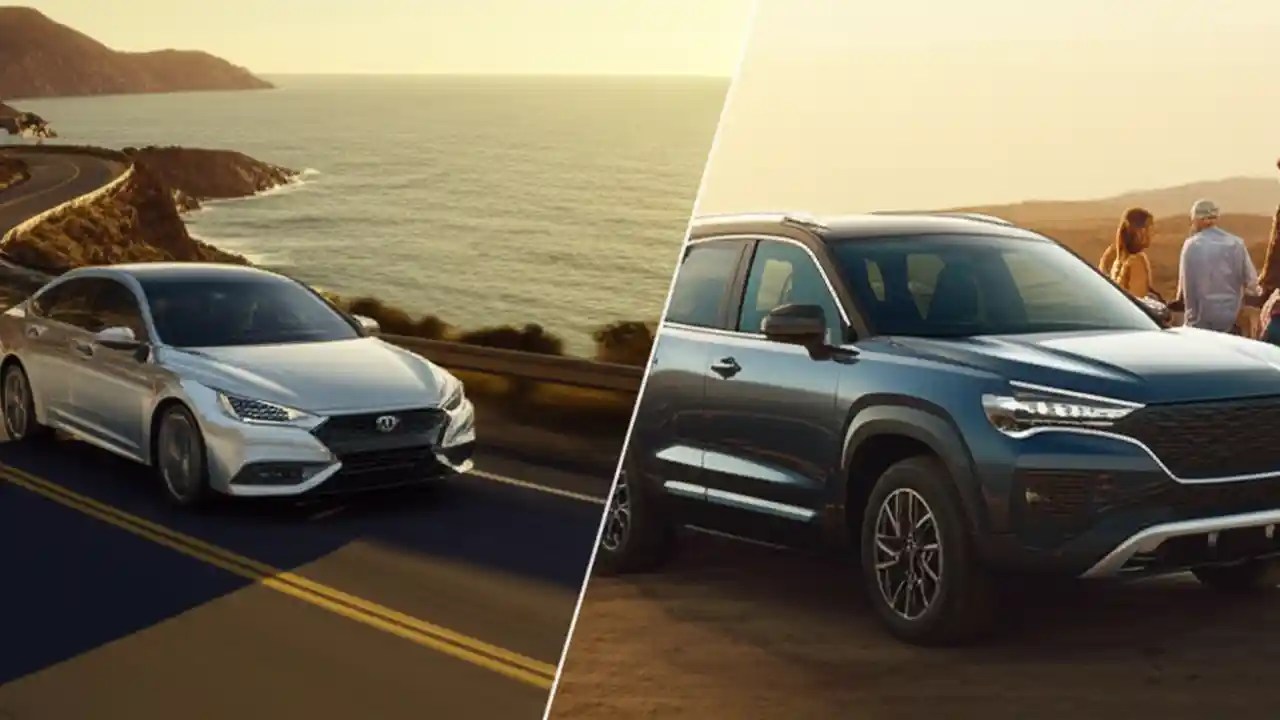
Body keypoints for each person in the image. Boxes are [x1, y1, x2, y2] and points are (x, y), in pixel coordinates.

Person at [1176, 198, 1260, 333]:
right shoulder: (1236, 243)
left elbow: (1183, 286)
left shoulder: (1191, 245)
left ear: (1197, 220)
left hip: (1198, 323)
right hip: (1231, 320)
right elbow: (1252, 283)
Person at [1098, 207, 1155, 297]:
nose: (1152, 234)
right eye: (1150, 228)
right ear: (1140, 232)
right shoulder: (1137, 261)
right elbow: (1137, 300)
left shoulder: (1115, 257)